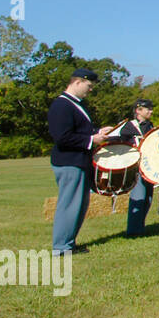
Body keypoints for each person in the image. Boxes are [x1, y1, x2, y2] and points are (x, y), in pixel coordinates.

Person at [48, 67, 116, 254]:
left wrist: (98, 132)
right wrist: (91, 140)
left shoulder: (75, 104)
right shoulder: (62, 105)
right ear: (77, 82)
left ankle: (68, 243)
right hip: (69, 162)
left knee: (78, 205)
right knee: (70, 204)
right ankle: (61, 247)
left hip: (78, 161)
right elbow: (61, 137)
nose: (91, 89)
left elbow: (78, 131)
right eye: (89, 85)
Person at [118, 98, 156, 237]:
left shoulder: (149, 126)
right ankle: (133, 231)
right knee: (139, 196)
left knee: (148, 198)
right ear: (138, 110)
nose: (151, 111)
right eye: (148, 109)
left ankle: (140, 226)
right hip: (135, 167)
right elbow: (116, 142)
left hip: (148, 167)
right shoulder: (129, 127)